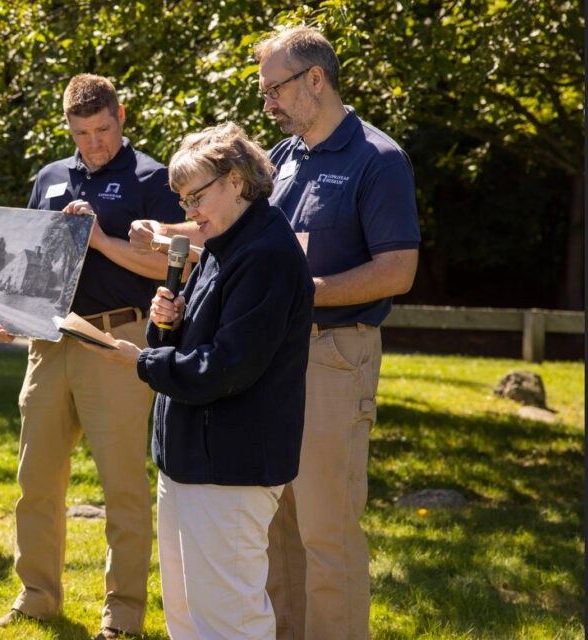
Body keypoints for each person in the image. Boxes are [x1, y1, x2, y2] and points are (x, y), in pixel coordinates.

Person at [129, 26, 421, 640]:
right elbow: (237, 237)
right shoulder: (282, 159)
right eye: (263, 92)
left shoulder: (378, 158)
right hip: (262, 358)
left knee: (325, 527)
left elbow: (399, 269)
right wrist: (174, 232)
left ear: (316, 78)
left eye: (275, 89)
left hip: (333, 352)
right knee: (273, 527)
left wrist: (291, 298)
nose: (267, 103)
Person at [83, 122, 313, 639]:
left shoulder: (266, 255)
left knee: (230, 619)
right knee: (187, 615)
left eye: (196, 197)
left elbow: (228, 366)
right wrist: (169, 320)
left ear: (235, 181)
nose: (188, 214)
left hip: (231, 465)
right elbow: (196, 339)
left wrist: (141, 361)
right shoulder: (220, 241)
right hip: (190, 457)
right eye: (183, 200)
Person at [0, 74, 185, 640]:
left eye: (103, 129)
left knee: (122, 486)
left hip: (117, 343)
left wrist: (98, 239)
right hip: (48, 341)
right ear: (67, 126)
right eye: (81, 132)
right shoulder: (49, 178)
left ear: (122, 116)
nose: (93, 143)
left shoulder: (153, 180)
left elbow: (174, 268)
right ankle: (37, 596)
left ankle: (123, 615)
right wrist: (7, 315)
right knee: (36, 480)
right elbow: (28, 264)